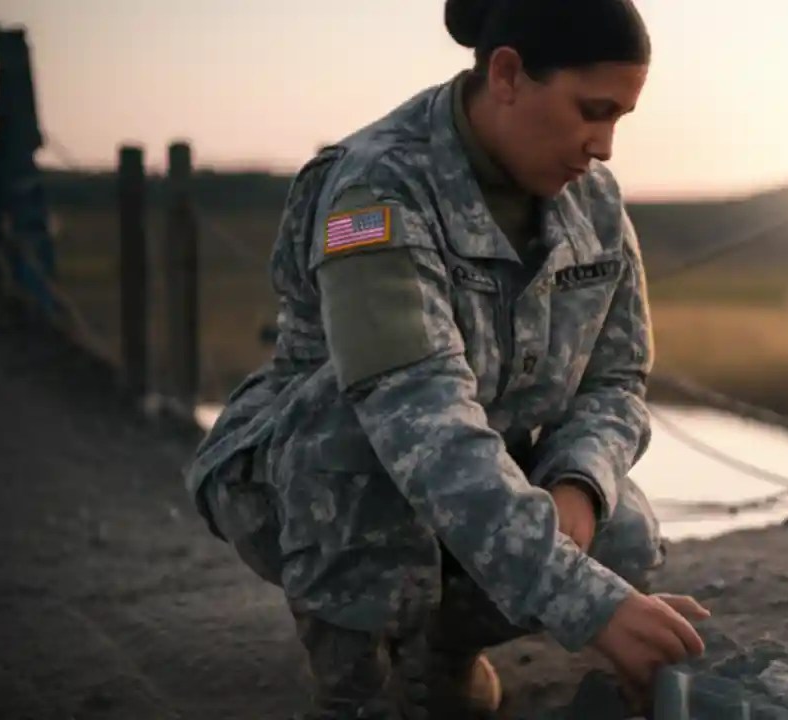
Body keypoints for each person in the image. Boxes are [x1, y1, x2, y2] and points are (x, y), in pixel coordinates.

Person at [182, 0, 711, 717]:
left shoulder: (596, 204)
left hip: (477, 464)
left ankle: (440, 654)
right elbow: (418, 420)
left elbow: (616, 381)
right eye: (593, 110)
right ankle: (355, 689)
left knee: (621, 535)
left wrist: (578, 487)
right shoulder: (376, 189)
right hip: (313, 479)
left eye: (620, 117)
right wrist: (590, 605)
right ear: (507, 74)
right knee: (356, 444)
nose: (605, 145)